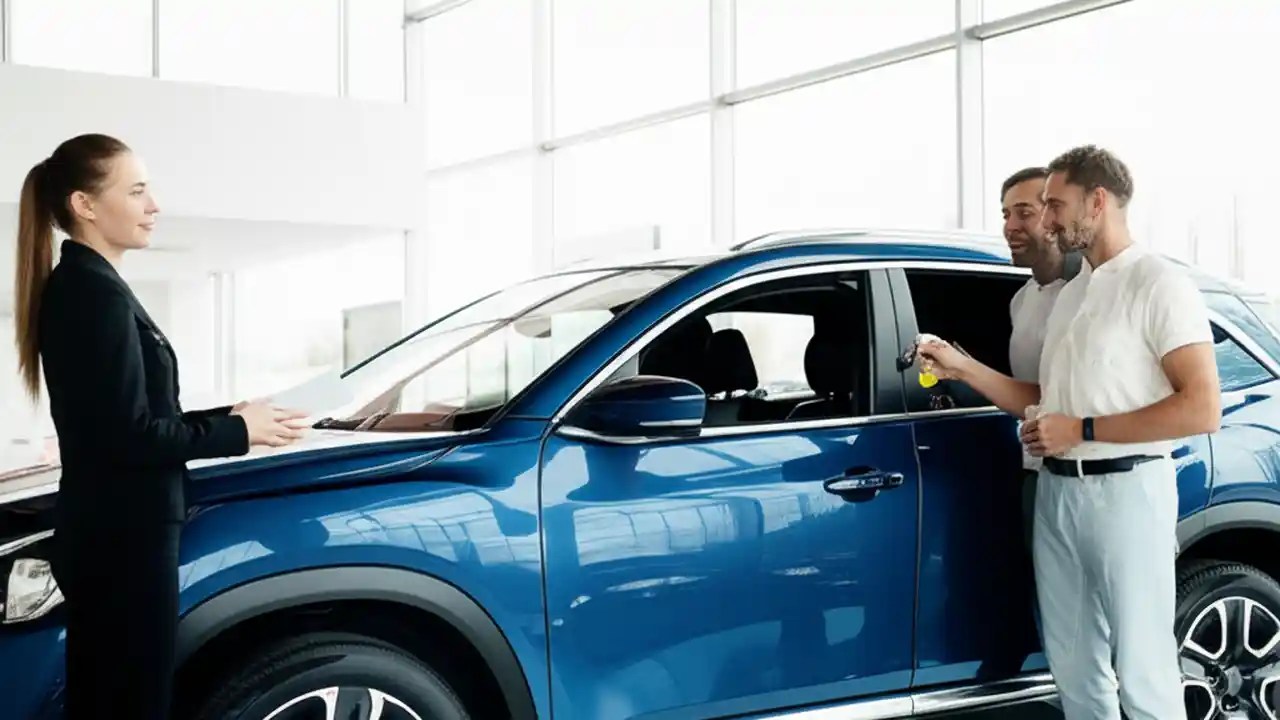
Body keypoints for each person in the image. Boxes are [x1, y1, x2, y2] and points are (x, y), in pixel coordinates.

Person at [12, 133, 308, 719]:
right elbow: (130, 437)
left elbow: (132, 419)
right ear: (84, 205)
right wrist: (237, 434)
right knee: (130, 702)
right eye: (137, 191)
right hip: (123, 538)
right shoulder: (93, 294)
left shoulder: (90, 286)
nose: (154, 206)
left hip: (114, 532)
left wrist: (231, 418)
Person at [919, 144, 1219, 720]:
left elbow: (1202, 408)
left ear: (1097, 201)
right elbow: (1042, 400)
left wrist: (1079, 428)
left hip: (1127, 494)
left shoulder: (1159, 283)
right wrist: (961, 368)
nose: (1049, 220)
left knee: (1144, 675)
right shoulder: (1074, 292)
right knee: (1075, 674)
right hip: (1056, 495)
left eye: (1055, 205)